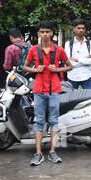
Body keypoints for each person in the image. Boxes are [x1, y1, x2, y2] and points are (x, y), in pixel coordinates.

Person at [23, 23, 70, 167]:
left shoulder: (59, 49)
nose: (45, 34)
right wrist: (36, 70)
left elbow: (69, 66)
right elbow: (24, 66)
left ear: (51, 33)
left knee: (54, 120)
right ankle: (38, 153)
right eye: (42, 32)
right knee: (39, 121)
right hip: (39, 90)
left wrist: (58, 69)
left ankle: (53, 151)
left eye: (47, 31)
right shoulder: (33, 50)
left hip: (54, 89)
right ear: (38, 33)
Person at [65, 20, 91, 90]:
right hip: (72, 76)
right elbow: (68, 62)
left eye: (83, 28)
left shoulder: (90, 44)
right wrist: (86, 60)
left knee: (90, 98)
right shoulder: (68, 44)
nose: (81, 30)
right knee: (71, 99)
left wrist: (77, 59)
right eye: (78, 28)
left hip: (87, 75)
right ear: (74, 29)